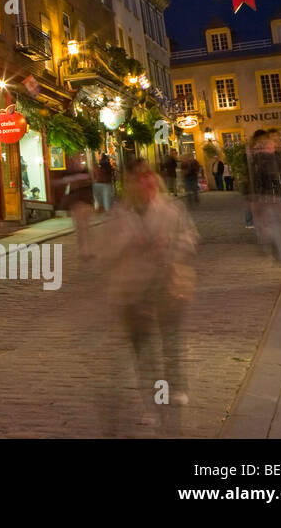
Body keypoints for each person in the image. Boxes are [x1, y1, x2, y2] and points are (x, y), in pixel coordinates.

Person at [101, 158, 199, 423]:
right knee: (144, 351)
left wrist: (170, 245)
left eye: (148, 176)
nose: (146, 182)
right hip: (133, 290)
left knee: (170, 341)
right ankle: (154, 401)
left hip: (168, 284)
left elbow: (190, 239)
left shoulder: (171, 209)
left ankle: (176, 386)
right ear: (129, 184)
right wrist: (130, 244)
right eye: (138, 178)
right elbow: (107, 254)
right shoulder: (119, 214)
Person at [248, 130, 281, 263]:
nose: (273, 147)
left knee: (272, 224)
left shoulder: (259, 159)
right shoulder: (277, 157)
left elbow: (258, 178)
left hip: (268, 196)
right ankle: (278, 250)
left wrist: (255, 197)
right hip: (274, 195)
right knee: (276, 224)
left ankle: (276, 249)